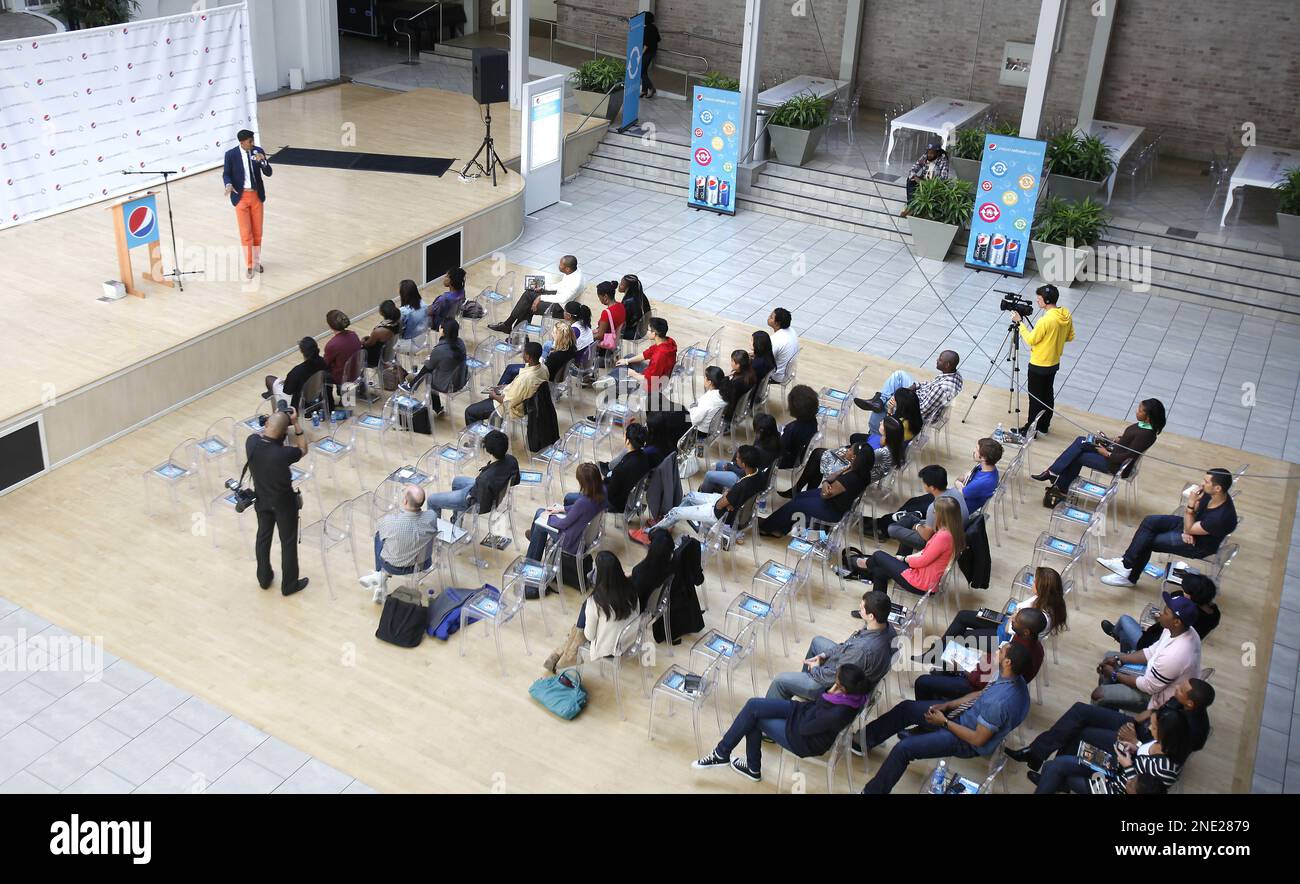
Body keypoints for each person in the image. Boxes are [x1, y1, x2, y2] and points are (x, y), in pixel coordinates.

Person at [857, 642, 1031, 794]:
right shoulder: (1013, 678)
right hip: (963, 717)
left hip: (966, 740)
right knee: (906, 708)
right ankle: (863, 741)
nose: (996, 651)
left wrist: (945, 722)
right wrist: (948, 706)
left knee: (903, 749)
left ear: (1007, 662)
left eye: (1001, 651)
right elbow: (979, 694)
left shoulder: (1000, 702)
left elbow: (977, 739)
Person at [692, 664, 871, 783]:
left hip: (804, 739)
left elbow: (805, 728)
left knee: (753, 719)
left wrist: (827, 696)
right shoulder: (855, 696)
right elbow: (816, 703)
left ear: (842, 689)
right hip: (804, 714)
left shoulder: (838, 712)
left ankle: (744, 764)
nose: (833, 682)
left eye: (835, 682)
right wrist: (829, 694)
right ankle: (723, 753)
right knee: (753, 705)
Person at [1006, 677, 1215, 773]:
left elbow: (1167, 755)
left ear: (1191, 703)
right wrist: (1136, 722)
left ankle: (1054, 771)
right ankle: (1037, 753)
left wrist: (1135, 740)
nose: (1177, 688)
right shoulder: (1181, 702)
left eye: (1181, 689)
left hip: (1140, 749)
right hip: (1139, 728)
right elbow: (1154, 712)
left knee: (1082, 733)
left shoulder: (1194, 732)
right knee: (1080, 710)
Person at [1097, 469, 1238, 587]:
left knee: (1148, 541)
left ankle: (1129, 577)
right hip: (1190, 527)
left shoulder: (1220, 517)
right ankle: (1126, 564)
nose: (1202, 484)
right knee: (1150, 521)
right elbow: (1194, 514)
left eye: (1206, 482)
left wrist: (1190, 508)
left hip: (1197, 544)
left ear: (1217, 488)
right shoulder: (1210, 493)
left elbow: (1191, 512)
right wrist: (1188, 527)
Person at [1032, 704, 1191, 794]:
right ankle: (1050, 780)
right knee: (1057, 765)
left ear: (1167, 734)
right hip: (1114, 768)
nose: (1149, 728)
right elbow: (1142, 761)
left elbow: (1138, 789)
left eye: (1154, 727)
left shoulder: (1165, 769)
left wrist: (1128, 766)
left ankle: (1052, 781)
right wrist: (1136, 748)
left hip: (1112, 788)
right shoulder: (1163, 744)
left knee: (1061, 774)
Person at [1034, 398, 1166, 507]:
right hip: (1113, 451)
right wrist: (1114, 440)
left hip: (1115, 463)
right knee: (1081, 441)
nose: (1136, 412)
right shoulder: (1142, 426)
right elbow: (1129, 441)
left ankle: (1056, 479)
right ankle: (1056, 478)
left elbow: (1129, 456)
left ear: (1148, 417)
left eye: (1140, 410)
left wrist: (1106, 453)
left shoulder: (1147, 435)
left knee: (1078, 456)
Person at [768, 591, 897, 701]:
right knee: (817, 642)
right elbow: (847, 645)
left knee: (780, 681)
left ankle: (768, 719)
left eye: (862, 608)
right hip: (848, 666)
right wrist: (824, 655)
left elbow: (837, 675)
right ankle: (803, 686)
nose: (859, 608)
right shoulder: (886, 627)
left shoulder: (861, 650)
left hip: (839, 685)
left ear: (871, 616)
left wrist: (815, 669)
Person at [1092, 593, 1202, 712]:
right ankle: (1109, 710)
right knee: (1109, 657)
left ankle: (1103, 713)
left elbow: (1147, 686)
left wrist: (1114, 675)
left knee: (1098, 695)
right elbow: (1150, 652)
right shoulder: (1179, 630)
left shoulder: (1174, 656)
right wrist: (1119, 659)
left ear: (1176, 622)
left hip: (1157, 700)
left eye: (1165, 612)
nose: (1160, 614)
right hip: (1154, 677)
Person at [632, 445, 765, 541]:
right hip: (728, 506)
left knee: (675, 512)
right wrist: (728, 497)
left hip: (718, 513)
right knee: (689, 497)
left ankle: (650, 533)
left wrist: (726, 497)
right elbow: (730, 497)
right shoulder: (757, 475)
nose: (736, 459)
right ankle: (668, 523)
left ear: (745, 463)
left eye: (738, 458)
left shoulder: (742, 486)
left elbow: (720, 505)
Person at [924, 566, 1068, 655]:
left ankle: (940, 658)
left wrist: (1013, 618)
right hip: (1006, 623)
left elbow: (1014, 630)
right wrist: (1013, 617)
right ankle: (938, 650)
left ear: (1042, 587)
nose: (1032, 583)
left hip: (1005, 639)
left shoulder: (1041, 616)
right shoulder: (1045, 599)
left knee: (960, 637)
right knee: (963, 616)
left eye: (1035, 581)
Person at [913, 608, 1047, 701]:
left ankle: (931, 717)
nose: (1011, 621)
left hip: (979, 687)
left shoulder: (1016, 653)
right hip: (983, 671)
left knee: (924, 681)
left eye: (1016, 621)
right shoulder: (1036, 646)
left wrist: (961, 669)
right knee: (946, 656)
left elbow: (986, 683)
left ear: (1027, 632)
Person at [244, 410, 308, 596]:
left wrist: (273, 421)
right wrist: (295, 423)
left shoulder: (252, 443)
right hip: (284, 503)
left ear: (266, 425)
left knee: (263, 538)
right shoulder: (284, 453)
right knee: (287, 543)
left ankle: (264, 578)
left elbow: (261, 434)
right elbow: (303, 448)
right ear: (283, 434)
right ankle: (289, 585)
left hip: (262, 500)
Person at [544, 551, 640, 672]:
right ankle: (565, 652)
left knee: (583, 621)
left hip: (609, 649)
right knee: (583, 619)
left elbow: (589, 635)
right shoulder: (632, 589)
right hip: (630, 640)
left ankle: (566, 652)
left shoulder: (595, 602)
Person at [849, 495, 963, 596]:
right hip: (926, 577)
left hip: (920, 582)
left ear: (942, 515)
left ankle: (866, 565)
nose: (933, 514)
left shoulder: (943, 537)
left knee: (878, 555)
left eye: (935, 512)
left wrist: (905, 559)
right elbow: (926, 554)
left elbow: (922, 560)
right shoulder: (953, 532)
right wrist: (905, 559)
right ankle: (875, 610)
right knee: (879, 572)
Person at [760, 441, 873, 537]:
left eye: (850, 450)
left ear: (855, 457)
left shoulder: (851, 478)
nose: (847, 450)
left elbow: (825, 493)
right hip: (836, 501)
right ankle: (780, 529)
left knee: (795, 505)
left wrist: (825, 482)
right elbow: (834, 477)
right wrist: (829, 481)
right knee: (799, 497)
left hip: (832, 509)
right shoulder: (861, 471)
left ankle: (766, 527)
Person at [524, 463, 607, 592]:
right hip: (585, 536)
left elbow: (564, 523)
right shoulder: (602, 492)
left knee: (540, 517)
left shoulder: (583, 502)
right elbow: (578, 511)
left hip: (570, 540)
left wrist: (548, 517)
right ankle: (536, 538)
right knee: (540, 515)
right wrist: (561, 508)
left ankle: (531, 561)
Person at [357, 485, 439, 603]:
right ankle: (380, 577)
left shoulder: (390, 521)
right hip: (423, 563)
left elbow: (382, 537)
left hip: (394, 567)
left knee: (378, 536)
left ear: (405, 501)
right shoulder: (432, 517)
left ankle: (380, 575)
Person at [1102, 573, 1221, 652]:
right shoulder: (1214, 614)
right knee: (1125, 635)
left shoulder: (1184, 611)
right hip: (1178, 646)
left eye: (1184, 591)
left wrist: (1160, 619)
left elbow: (1162, 631)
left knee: (1124, 622)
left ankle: (1116, 634)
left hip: (1153, 646)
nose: (1181, 592)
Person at [1013, 283, 1075, 436]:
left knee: (1035, 399)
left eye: (1039, 298)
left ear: (1047, 301)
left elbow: (1030, 340)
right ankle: (1044, 426)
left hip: (1039, 364)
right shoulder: (1065, 314)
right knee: (1047, 395)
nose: (1037, 301)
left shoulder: (1045, 321)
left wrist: (1019, 323)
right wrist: (1053, 341)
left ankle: (1030, 430)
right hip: (1053, 362)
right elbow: (1070, 336)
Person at [855, 351, 963, 436]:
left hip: (917, 411)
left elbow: (921, 411)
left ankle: (875, 433)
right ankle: (878, 401)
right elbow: (929, 385)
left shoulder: (941, 389)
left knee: (888, 403)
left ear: (947, 364)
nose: (937, 360)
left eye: (940, 360)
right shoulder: (955, 376)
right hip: (920, 396)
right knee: (899, 375)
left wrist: (899, 403)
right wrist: (915, 386)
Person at [867, 464, 967, 555]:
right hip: (955, 533)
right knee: (910, 519)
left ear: (932, 487)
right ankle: (902, 556)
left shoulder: (935, 507)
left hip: (939, 543)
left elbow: (927, 536)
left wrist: (917, 526)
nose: (923, 485)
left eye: (924, 483)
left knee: (893, 529)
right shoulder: (956, 492)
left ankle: (899, 549)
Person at [424, 428, 520, 523]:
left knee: (432, 500)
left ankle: (433, 533)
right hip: (487, 491)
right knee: (457, 481)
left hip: (476, 500)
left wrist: (468, 497)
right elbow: (516, 480)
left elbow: (481, 506)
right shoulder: (512, 460)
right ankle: (456, 520)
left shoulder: (485, 478)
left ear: (488, 451)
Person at [222, 129, 273, 279]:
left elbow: (269, 172)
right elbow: (226, 173)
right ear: (242, 142)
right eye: (250, 142)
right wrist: (228, 184)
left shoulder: (258, 151)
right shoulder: (231, 155)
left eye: (253, 141)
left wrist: (263, 162)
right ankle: (249, 265)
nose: (253, 144)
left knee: (258, 233)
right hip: (241, 197)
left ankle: (257, 262)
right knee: (246, 234)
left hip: (256, 196)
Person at [490, 255, 583, 332]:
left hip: (560, 308)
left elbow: (562, 299)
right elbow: (561, 285)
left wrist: (540, 298)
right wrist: (543, 287)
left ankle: (514, 330)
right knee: (529, 292)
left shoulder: (574, 284)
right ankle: (512, 328)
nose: (558, 266)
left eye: (560, 265)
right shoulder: (574, 270)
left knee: (528, 306)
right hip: (560, 296)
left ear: (567, 269)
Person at [464, 341, 547, 426]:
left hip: (510, 408)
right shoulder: (544, 369)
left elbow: (508, 403)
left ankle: (484, 437)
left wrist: (494, 396)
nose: (522, 355)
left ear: (528, 357)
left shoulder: (524, 380)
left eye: (524, 353)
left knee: (469, 412)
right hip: (525, 404)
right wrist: (506, 386)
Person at [594, 317, 677, 399]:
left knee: (618, 381)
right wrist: (627, 361)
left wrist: (633, 374)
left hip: (652, 386)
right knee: (629, 357)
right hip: (656, 374)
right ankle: (612, 379)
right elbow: (646, 354)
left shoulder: (659, 356)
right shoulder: (668, 342)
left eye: (648, 330)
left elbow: (649, 380)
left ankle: (611, 385)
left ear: (654, 334)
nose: (646, 331)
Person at [700, 414, 780, 493]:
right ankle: (719, 490)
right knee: (719, 464)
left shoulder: (761, 451)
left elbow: (747, 472)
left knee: (709, 475)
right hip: (755, 475)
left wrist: (731, 467)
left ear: (761, 431)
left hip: (748, 481)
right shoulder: (776, 439)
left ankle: (704, 496)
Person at [404, 318, 468, 415]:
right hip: (462, 378)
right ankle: (437, 408)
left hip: (449, 384)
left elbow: (427, 368)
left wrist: (413, 384)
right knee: (429, 370)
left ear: (443, 330)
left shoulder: (440, 349)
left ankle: (412, 387)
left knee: (427, 376)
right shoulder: (460, 343)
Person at [499, 321, 574, 386]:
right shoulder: (572, 348)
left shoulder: (555, 356)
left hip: (544, 375)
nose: (552, 334)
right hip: (558, 373)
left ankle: (499, 390)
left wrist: (540, 358)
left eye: (554, 332)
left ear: (559, 337)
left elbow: (543, 370)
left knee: (510, 369)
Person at [264, 337, 328, 412]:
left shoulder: (297, 371)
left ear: (301, 351)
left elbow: (287, 391)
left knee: (269, 379)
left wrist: (288, 381)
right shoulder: (323, 362)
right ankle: (270, 394)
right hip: (317, 395)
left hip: (300, 402)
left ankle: (275, 407)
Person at [601, 422, 652, 514]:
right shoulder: (644, 457)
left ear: (628, 441)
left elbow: (611, 493)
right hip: (629, 498)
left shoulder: (624, 467)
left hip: (616, 502)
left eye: (624, 434)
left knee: (570, 498)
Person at [900, 142, 951, 218]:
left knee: (920, 182)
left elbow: (943, 180)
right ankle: (911, 206)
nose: (929, 155)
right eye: (928, 152)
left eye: (932, 153)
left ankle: (914, 209)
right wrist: (914, 175)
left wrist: (923, 182)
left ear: (937, 153)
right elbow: (914, 168)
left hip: (933, 185)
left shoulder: (943, 160)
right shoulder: (926, 156)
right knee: (910, 180)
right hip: (924, 180)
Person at [778, 384, 820, 470]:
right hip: (798, 455)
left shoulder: (791, 430)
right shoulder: (813, 420)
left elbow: (780, 450)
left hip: (787, 461)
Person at [955, 437, 1003, 513]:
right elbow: (966, 476)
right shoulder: (986, 467)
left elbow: (961, 493)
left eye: (977, 449)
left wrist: (957, 482)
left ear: (984, 458)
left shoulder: (982, 482)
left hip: (959, 511)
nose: (974, 450)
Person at [322, 310, 362, 394]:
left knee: (320, 374)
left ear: (330, 326)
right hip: (357, 370)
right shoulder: (353, 334)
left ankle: (329, 403)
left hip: (343, 376)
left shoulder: (332, 344)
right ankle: (341, 393)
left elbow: (325, 364)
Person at [721, 349, 757, 428]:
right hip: (739, 403)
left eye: (732, 361)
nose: (731, 363)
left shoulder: (737, 383)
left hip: (730, 408)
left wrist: (725, 381)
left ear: (738, 365)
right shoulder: (751, 374)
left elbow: (727, 398)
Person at [687, 366, 728, 434]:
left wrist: (689, 412)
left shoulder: (708, 400)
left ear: (709, 382)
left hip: (700, 431)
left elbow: (694, 420)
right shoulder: (723, 394)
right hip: (712, 428)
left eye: (704, 378)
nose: (703, 379)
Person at [593, 280, 626, 365]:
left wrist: (589, 336)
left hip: (605, 347)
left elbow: (600, 336)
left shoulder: (606, 313)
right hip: (616, 340)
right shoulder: (621, 305)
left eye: (599, 297)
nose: (599, 299)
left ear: (605, 296)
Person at [361, 299, 402, 368]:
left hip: (375, 359)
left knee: (355, 352)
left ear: (382, 313)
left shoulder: (379, 331)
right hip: (389, 353)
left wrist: (362, 341)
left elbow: (368, 344)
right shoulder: (399, 323)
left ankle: (362, 376)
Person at [426, 267, 467, 332]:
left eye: (446, 276)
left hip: (439, 324)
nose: (444, 278)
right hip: (451, 319)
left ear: (452, 280)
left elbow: (429, 312)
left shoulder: (444, 299)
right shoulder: (462, 292)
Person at [767, 308, 799, 383]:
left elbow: (766, 360)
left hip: (777, 376)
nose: (768, 317)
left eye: (771, 317)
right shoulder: (792, 330)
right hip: (789, 371)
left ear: (777, 323)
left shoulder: (775, 340)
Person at [396, 279, 429, 347]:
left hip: (408, 343)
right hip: (422, 339)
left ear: (403, 294)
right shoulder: (424, 304)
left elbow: (398, 330)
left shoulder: (403, 312)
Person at [619, 274, 652, 342]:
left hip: (633, 333)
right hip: (641, 329)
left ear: (628, 288)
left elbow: (623, 322)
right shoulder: (641, 295)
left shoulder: (628, 302)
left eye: (622, 285)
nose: (619, 286)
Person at [639, 11, 660, 98]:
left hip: (647, 53)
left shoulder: (647, 29)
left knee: (641, 72)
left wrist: (640, 54)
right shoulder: (654, 27)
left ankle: (651, 88)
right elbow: (658, 39)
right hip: (653, 52)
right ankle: (644, 90)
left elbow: (646, 45)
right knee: (644, 71)